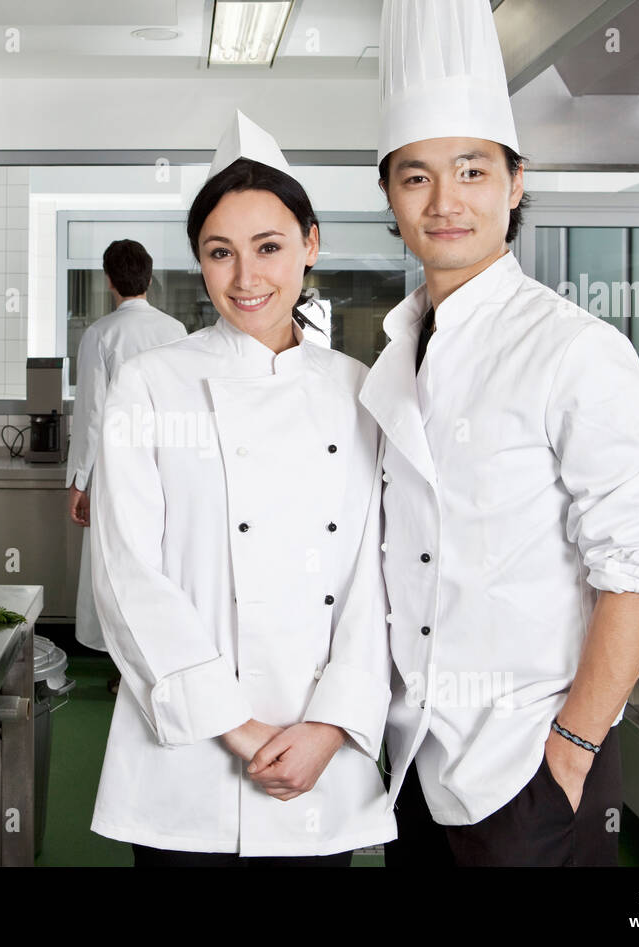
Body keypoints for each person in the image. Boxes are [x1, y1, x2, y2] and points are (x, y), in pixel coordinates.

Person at [365, 0, 639, 866]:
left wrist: (572, 753)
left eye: (472, 171)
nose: (446, 202)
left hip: (528, 770)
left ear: (515, 183)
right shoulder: (397, 349)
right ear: (392, 197)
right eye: (416, 176)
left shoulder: (575, 348)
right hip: (418, 766)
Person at [88, 111, 395, 865]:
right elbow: (129, 572)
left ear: (310, 244)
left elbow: (373, 577)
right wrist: (235, 724)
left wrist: (330, 727)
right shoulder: (151, 382)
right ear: (198, 261)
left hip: (319, 757)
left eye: (269, 248)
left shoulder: (361, 390)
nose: (247, 278)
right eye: (220, 253)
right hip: (187, 757)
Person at [66, 240, 186, 664]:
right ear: (149, 279)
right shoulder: (175, 332)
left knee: (115, 562)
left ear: (108, 281)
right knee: (160, 560)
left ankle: (120, 661)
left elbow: (91, 415)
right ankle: (160, 654)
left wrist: (79, 482)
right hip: (168, 465)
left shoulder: (101, 334)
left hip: (116, 471)